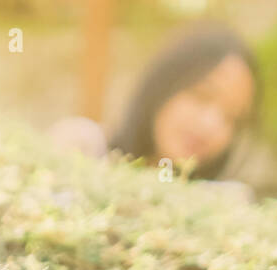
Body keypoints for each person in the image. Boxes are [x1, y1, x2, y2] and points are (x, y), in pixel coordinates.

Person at [50, 23, 259, 182]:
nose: (210, 125)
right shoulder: (82, 148)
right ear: (163, 83)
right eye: (201, 96)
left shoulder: (222, 208)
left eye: (232, 118)